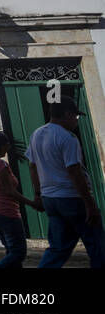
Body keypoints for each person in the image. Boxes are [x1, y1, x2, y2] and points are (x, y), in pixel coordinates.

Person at [27, 99, 105, 268]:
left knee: (58, 248)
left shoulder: (37, 134)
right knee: (97, 245)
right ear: (67, 114)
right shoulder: (68, 138)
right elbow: (74, 172)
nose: (77, 120)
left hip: (50, 199)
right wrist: (89, 203)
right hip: (71, 198)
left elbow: (32, 166)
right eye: (76, 115)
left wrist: (38, 194)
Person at [0, 130, 39, 267]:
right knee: (18, 252)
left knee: (11, 251)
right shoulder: (1, 165)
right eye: (6, 144)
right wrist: (31, 203)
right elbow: (9, 190)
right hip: (6, 213)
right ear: (1, 146)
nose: (8, 147)